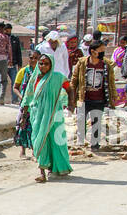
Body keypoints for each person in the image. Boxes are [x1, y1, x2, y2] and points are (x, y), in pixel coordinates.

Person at [21, 46, 72, 183]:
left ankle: (57, 167)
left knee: (56, 141)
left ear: (51, 65)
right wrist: (24, 116)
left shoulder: (57, 77)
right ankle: (42, 171)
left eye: (46, 64)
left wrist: (71, 104)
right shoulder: (34, 78)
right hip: (38, 115)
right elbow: (27, 98)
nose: (43, 66)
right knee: (39, 141)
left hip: (55, 114)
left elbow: (70, 89)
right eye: (41, 63)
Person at [69, 39, 117, 151]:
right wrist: (71, 95)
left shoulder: (106, 64)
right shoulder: (82, 63)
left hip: (99, 98)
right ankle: (81, 142)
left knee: (96, 122)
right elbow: (74, 79)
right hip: (83, 98)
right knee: (81, 121)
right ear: (93, 51)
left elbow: (111, 81)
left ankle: (95, 145)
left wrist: (113, 94)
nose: (102, 53)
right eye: (101, 50)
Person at [13, 48, 39, 158]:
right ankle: (22, 150)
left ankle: (34, 150)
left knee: (35, 126)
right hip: (24, 104)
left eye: (36, 58)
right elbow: (15, 87)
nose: (33, 60)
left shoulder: (41, 73)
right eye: (31, 58)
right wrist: (22, 97)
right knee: (21, 124)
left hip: (37, 104)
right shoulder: (23, 71)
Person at [6, 23, 23, 103]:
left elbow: (18, 51)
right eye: (7, 30)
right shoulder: (2, 39)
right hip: (4, 64)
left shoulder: (15, 39)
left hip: (13, 64)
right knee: (1, 81)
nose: (8, 32)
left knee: (15, 81)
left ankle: (15, 99)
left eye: (9, 30)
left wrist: (20, 64)